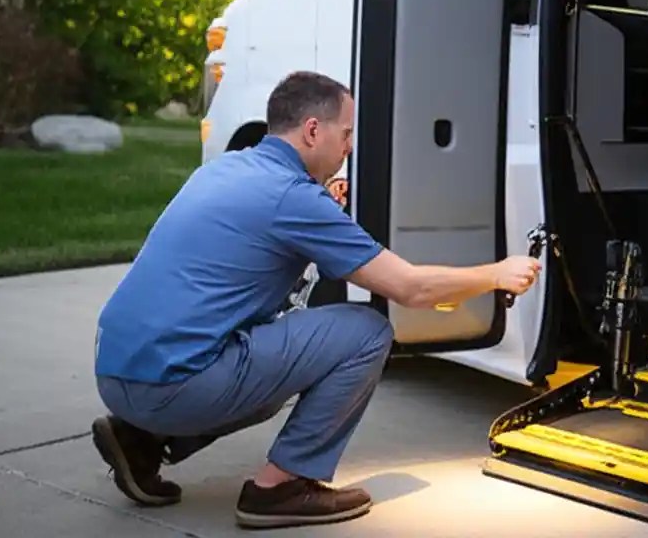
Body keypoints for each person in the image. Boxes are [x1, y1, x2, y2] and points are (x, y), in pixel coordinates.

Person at [90, 70, 540, 529]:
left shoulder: (226, 167)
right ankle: (280, 487)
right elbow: (411, 289)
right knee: (366, 333)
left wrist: (318, 213)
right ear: (311, 130)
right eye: (346, 134)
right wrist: (495, 274)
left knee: (269, 370)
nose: (349, 147)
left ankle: (141, 440)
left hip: (114, 368)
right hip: (172, 386)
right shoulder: (294, 199)